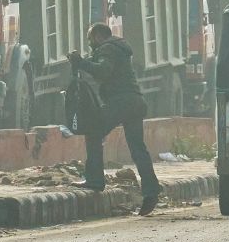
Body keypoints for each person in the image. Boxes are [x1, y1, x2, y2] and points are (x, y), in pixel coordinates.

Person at [68, 22, 160, 215]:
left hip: (120, 102)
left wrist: (81, 62)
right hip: (135, 101)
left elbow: (103, 70)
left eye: (90, 39)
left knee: (93, 131)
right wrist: (80, 61)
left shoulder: (107, 48)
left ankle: (95, 180)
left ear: (98, 36)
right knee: (138, 149)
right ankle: (151, 191)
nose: (90, 44)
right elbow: (96, 63)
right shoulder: (118, 48)